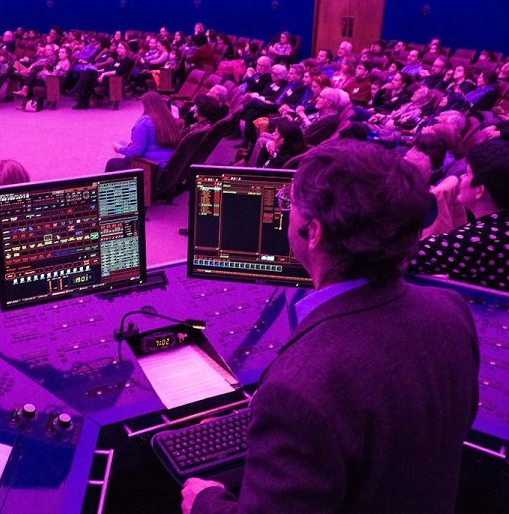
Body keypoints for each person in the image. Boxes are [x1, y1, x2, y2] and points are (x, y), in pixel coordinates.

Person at [182, 139, 479, 513]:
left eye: (289, 205)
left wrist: (206, 500)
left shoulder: (298, 386)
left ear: (314, 232)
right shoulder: (449, 310)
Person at [409, 138, 509, 290]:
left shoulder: (477, 239)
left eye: (467, 174)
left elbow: (400, 257)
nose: (460, 178)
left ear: (479, 191)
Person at [105, 92, 181, 171]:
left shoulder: (144, 123)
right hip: (167, 167)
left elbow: (137, 151)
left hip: (151, 168)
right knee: (127, 157)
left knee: (112, 163)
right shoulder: (170, 120)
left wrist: (120, 149)